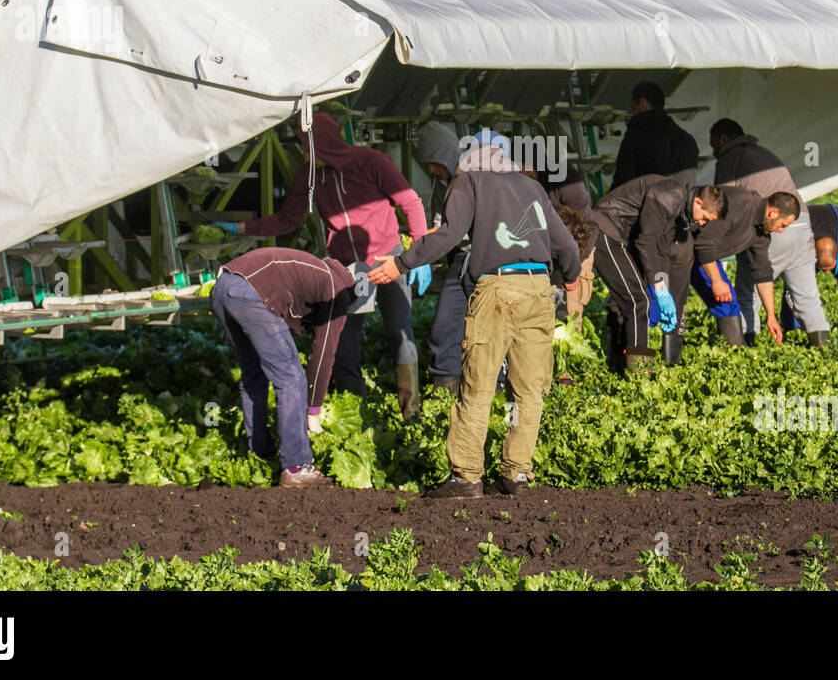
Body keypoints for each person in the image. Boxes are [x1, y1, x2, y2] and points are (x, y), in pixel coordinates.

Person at [368, 134, 583, 498]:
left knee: (478, 385)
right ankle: (517, 474)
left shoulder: (468, 180)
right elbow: (567, 245)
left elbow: (450, 234)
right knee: (528, 390)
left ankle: (467, 477)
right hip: (538, 290)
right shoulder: (532, 188)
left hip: (497, 290)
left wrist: (401, 263)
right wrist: (571, 279)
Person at [216, 113, 430, 418]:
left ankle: (412, 411)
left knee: (400, 330)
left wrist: (418, 254)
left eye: (307, 148)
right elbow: (286, 220)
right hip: (347, 267)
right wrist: (241, 229)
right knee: (344, 337)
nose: (304, 155)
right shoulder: (309, 176)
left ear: (324, 144)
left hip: (388, 257)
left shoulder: (372, 162)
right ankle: (353, 411)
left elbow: (410, 202)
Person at [210, 248, 356, 488]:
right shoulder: (336, 292)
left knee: (254, 375)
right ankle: (296, 466)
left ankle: (260, 453)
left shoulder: (313, 271)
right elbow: (323, 355)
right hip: (251, 294)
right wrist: (313, 410)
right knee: (290, 377)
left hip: (223, 287)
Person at [710, 119, 830, 347]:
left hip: (772, 224)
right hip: (801, 221)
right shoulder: (763, 152)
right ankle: (823, 347)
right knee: (807, 296)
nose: (714, 150)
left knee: (748, 293)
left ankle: (745, 345)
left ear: (723, 139)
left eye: (713, 143)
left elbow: (722, 202)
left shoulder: (729, 157)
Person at [591, 175, 726, 372]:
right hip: (606, 230)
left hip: (620, 237)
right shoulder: (668, 196)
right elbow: (646, 240)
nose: (702, 224)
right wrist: (660, 289)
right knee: (638, 301)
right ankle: (638, 372)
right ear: (698, 202)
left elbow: (661, 251)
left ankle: (620, 365)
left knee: (637, 300)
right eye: (704, 218)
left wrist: (662, 284)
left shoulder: (680, 210)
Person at [689, 188, 799, 347]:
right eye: (783, 225)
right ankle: (648, 363)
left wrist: (771, 316)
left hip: (701, 257)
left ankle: (734, 354)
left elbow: (763, 273)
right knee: (654, 306)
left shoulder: (761, 232)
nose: (781, 231)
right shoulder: (740, 205)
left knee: (727, 302)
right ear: (773, 213)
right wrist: (717, 282)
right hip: (682, 250)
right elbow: (704, 244)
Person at [414, 120, 467, 395]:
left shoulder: (472, 177)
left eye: (435, 162)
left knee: (482, 327)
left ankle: (491, 387)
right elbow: (439, 221)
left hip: (485, 256)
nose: (432, 169)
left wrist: (411, 259)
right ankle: (446, 386)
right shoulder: (441, 184)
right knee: (446, 325)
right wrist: (425, 253)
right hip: (460, 257)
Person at [522, 159, 595, 326]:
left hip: (578, 245)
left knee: (568, 314)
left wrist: (571, 271)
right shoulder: (517, 182)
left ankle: (567, 346)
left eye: (521, 169)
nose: (518, 175)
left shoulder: (566, 181)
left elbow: (586, 228)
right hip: (540, 249)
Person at [781, 202, 838, 332]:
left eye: (829, 268)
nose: (825, 273)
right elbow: (791, 291)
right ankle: (791, 328)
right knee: (795, 285)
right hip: (808, 222)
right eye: (822, 268)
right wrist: (807, 322)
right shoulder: (804, 249)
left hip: (835, 219)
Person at [610, 81, 700, 189]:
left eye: (633, 108)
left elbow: (623, 185)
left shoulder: (635, 138)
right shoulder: (687, 139)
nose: (632, 114)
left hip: (648, 204)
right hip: (681, 204)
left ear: (643, 104)